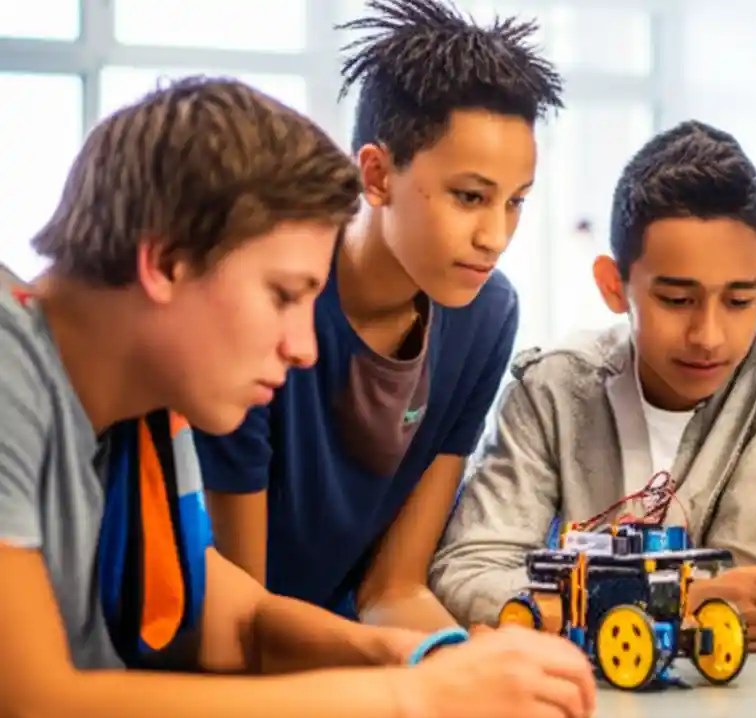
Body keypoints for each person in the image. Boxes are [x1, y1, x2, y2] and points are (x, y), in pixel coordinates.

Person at [0, 77, 593, 718]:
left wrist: (420, 659)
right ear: (167, 263)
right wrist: (413, 699)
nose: (305, 347)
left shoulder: (151, 411)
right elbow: (35, 700)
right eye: (283, 295)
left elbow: (239, 623)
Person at [193, 0, 563, 633]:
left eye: (515, 202)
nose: (495, 236)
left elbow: (393, 587)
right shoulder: (273, 304)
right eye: (469, 197)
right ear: (377, 174)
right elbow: (240, 620)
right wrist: (408, 671)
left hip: (342, 650)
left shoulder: (486, 313)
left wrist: (462, 658)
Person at [432, 120, 756, 651]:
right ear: (612, 285)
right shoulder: (553, 387)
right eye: (676, 299)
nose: (708, 336)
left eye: (740, 300)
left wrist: (573, 607)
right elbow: (466, 574)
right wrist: (679, 600)